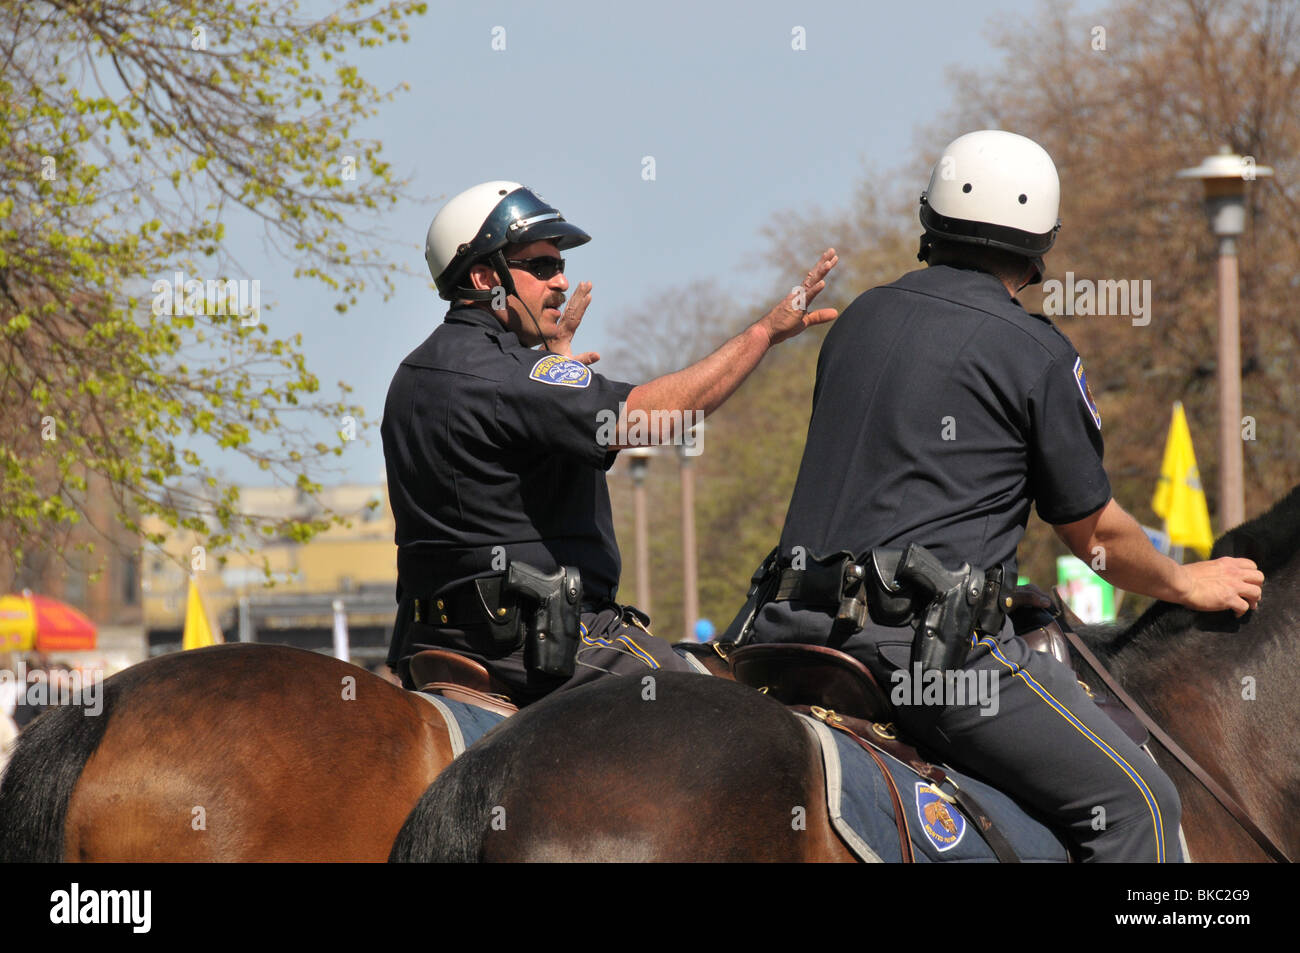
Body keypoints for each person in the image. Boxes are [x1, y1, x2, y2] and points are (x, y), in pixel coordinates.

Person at [744, 130, 1263, 862]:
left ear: (932, 219)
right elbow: (1097, 538)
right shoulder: (1033, 350)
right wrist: (1184, 579)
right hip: (927, 660)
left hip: (785, 634)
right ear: (1039, 241)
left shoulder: (859, 319)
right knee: (1141, 802)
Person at [382, 181, 837, 703]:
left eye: (560, 265)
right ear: (485, 277)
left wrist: (552, 361)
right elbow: (654, 420)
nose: (561, 281)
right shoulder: (511, 376)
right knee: (735, 722)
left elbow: (491, 487)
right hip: (538, 645)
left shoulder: (414, 373)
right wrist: (763, 335)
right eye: (542, 267)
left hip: (434, 641)